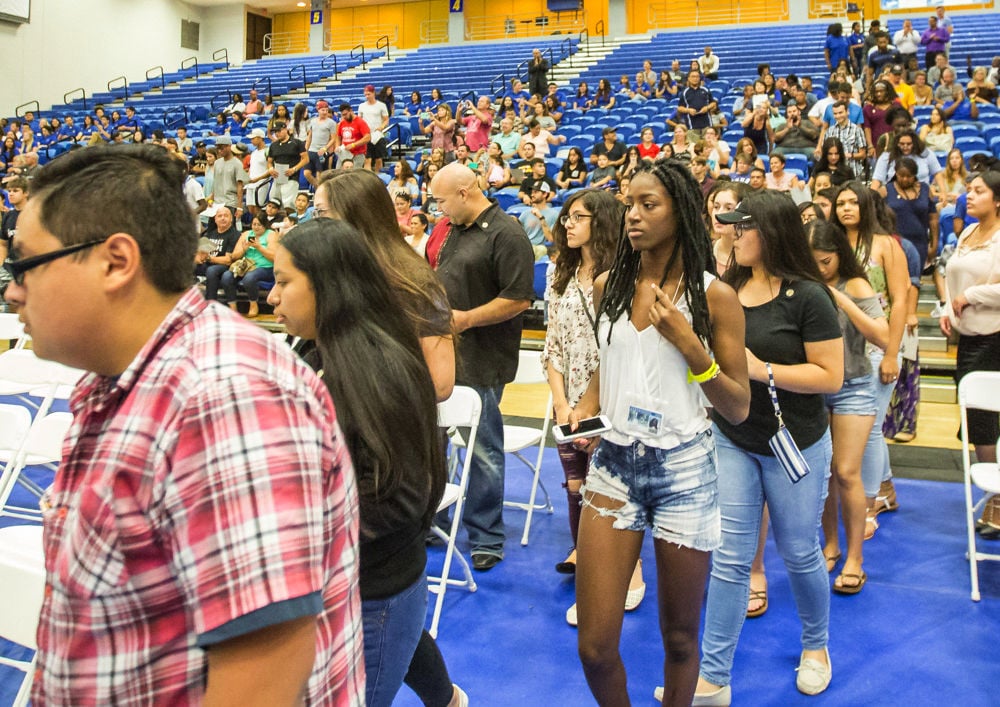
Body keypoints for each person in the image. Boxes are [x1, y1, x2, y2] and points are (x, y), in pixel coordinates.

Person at [7, 143, 363, 705]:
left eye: (25, 265)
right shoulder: (125, 376)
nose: (12, 289)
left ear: (115, 262)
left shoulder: (225, 394)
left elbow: (262, 666)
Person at [567, 159, 749, 706]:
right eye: (628, 205)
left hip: (686, 469)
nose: (633, 217)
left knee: (678, 638)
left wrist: (692, 347)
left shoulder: (716, 296)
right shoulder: (608, 285)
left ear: (683, 213)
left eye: (649, 205)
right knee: (594, 648)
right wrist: (587, 408)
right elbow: (610, 362)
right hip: (614, 465)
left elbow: (737, 406)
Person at [267, 217, 457, 707]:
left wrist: (299, 533)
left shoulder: (379, 370)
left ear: (328, 285)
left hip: (369, 592)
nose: (271, 297)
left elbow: (401, 499)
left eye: (284, 282)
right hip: (335, 586)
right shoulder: (316, 352)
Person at [311, 170, 467, 707]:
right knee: (377, 606)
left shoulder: (410, 281)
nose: (316, 224)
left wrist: (370, 389)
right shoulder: (335, 282)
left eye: (325, 214)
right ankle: (446, 698)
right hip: (350, 453)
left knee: (379, 590)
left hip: (393, 458)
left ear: (353, 218)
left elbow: (441, 382)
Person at [697, 191, 843, 703]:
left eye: (744, 227)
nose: (734, 234)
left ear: (772, 233)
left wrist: (763, 370)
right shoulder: (728, 288)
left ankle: (816, 646)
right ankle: (712, 677)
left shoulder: (808, 296)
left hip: (796, 443)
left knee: (800, 552)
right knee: (730, 558)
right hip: (734, 436)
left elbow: (831, 376)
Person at [542, 190, 647, 626]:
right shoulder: (557, 272)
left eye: (578, 217)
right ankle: (590, 570)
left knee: (612, 489)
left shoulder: (622, 275)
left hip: (611, 397)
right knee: (575, 487)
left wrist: (591, 402)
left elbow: (623, 347)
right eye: (566, 217)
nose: (567, 223)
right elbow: (552, 345)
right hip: (567, 399)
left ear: (600, 223)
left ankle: (631, 573)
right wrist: (563, 401)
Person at [430, 163, 535, 569]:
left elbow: (520, 299)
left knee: (483, 451)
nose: (438, 208)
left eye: (441, 200)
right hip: (445, 354)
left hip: (484, 358)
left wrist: (467, 318)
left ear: (464, 192)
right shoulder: (453, 229)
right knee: (434, 442)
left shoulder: (507, 234)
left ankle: (487, 536)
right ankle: (433, 520)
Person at [808, 219, 889, 595]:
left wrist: (840, 299)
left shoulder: (855, 284)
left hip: (854, 385)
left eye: (824, 261)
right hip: (814, 387)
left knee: (846, 472)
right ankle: (831, 545)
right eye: (812, 262)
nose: (818, 269)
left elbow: (884, 336)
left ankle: (855, 557)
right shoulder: (801, 281)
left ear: (838, 255)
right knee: (823, 473)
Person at [830, 183, 910, 541]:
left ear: (865, 205)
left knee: (871, 426)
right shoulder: (831, 244)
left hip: (878, 345)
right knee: (865, 426)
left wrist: (893, 352)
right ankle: (888, 488)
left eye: (852, 202)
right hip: (841, 347)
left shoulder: (886, 245)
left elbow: (902, 297)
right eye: (840, 203)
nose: (846, 208)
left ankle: (870, 501)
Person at [941, 170, 1000, 533]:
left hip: (995, 335)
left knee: (987, 417)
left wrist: (970, 297)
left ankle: (997, 500)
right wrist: (949, 308)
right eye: (968, 190)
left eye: (979, 191)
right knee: (977, 419)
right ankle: (994, 493)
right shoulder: (966, 232)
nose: (970, 195)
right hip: (969, 337)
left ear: (997, 199)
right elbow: (953, 278)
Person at [887, 156, 938, 267]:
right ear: (895, 173)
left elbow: (933, 219)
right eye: (901, 176)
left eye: (909, 176)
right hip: (894, 244)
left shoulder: (925, 189)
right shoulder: (885, 190)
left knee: (915, 280)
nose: (905, 179)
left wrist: (934, 245)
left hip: (920, 243)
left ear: (915, 175)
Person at [359, 84, 390, 171]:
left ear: (373, 93)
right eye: (365, 94)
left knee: (378, 158)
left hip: (377, 134)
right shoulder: (362, 106)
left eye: (368, 94)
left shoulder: (381, 105)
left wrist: (382, 126)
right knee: (367, 159)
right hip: (366, 134)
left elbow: (386, 119)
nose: (367, 96)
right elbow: (360, 120)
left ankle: (378, 175)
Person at [677, 69, 716, 135]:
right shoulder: (684, 92)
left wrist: (707, 108)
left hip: (707, 125)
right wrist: (688, 110)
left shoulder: (705, 89)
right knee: (693, 145)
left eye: (697, 76)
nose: (695, 78)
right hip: (691, 126)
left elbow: (713, 103)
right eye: (693, 76)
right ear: (688, 78)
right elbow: (679, 108)